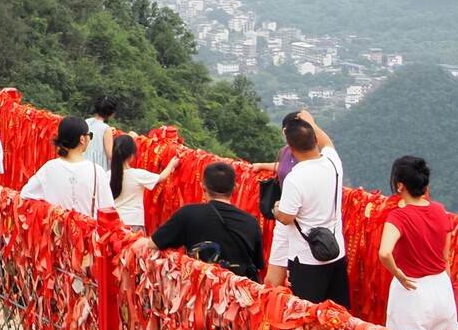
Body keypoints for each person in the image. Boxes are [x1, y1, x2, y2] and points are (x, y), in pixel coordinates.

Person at [379, 156, 458, 330]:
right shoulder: (440, 210)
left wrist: (398, 274)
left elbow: (384, 252)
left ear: (400, 186)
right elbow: (445, 256)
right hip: (442, 288)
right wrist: (446, 285)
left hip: (413, 291)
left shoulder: (399, 217)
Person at [273, 114, 348, 306]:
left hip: (307, 259)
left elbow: (286, 218)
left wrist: (276, 209)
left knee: (305, 314)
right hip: (336, 252)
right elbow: (328, 143)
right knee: (337, 313)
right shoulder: (333, 163)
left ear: (291, 149)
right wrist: (312, 122)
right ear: (315, 139)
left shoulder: (295, 178)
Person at [148, 163, 264, 281]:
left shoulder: (188, 214)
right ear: (235, 188)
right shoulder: (252, 222)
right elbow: (257, 264)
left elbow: (153, 244)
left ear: (203, 187)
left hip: (199, 288)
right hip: (238, 291)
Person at [257, 110, 332, 287]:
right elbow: (282, 168)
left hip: (300, 220)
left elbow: (285, 217)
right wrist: (261, 166)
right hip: (286, 219)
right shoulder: (287, 152)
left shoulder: (309, 160)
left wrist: (277, 208)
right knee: (273, 277)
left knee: (300, 274)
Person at [20, 116, 116, 216]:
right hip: (88, 225)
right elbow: (108, 209)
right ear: (82, 139)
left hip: (57, 226)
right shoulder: (97, 171)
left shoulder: (49, 168)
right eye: (90, 135)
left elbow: (25, 194)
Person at [109, 134, 176, 230]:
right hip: (134, 222)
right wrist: (172, 164)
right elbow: (161, 178)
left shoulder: (107, 175)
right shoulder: (137, 175)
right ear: (132, 156)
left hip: (114, 223)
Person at [85, 96, 120, 173]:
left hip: (84, 162)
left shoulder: (86, 122)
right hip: (98, 166)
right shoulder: (106, 129)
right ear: (112, 113)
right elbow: (110, 154)